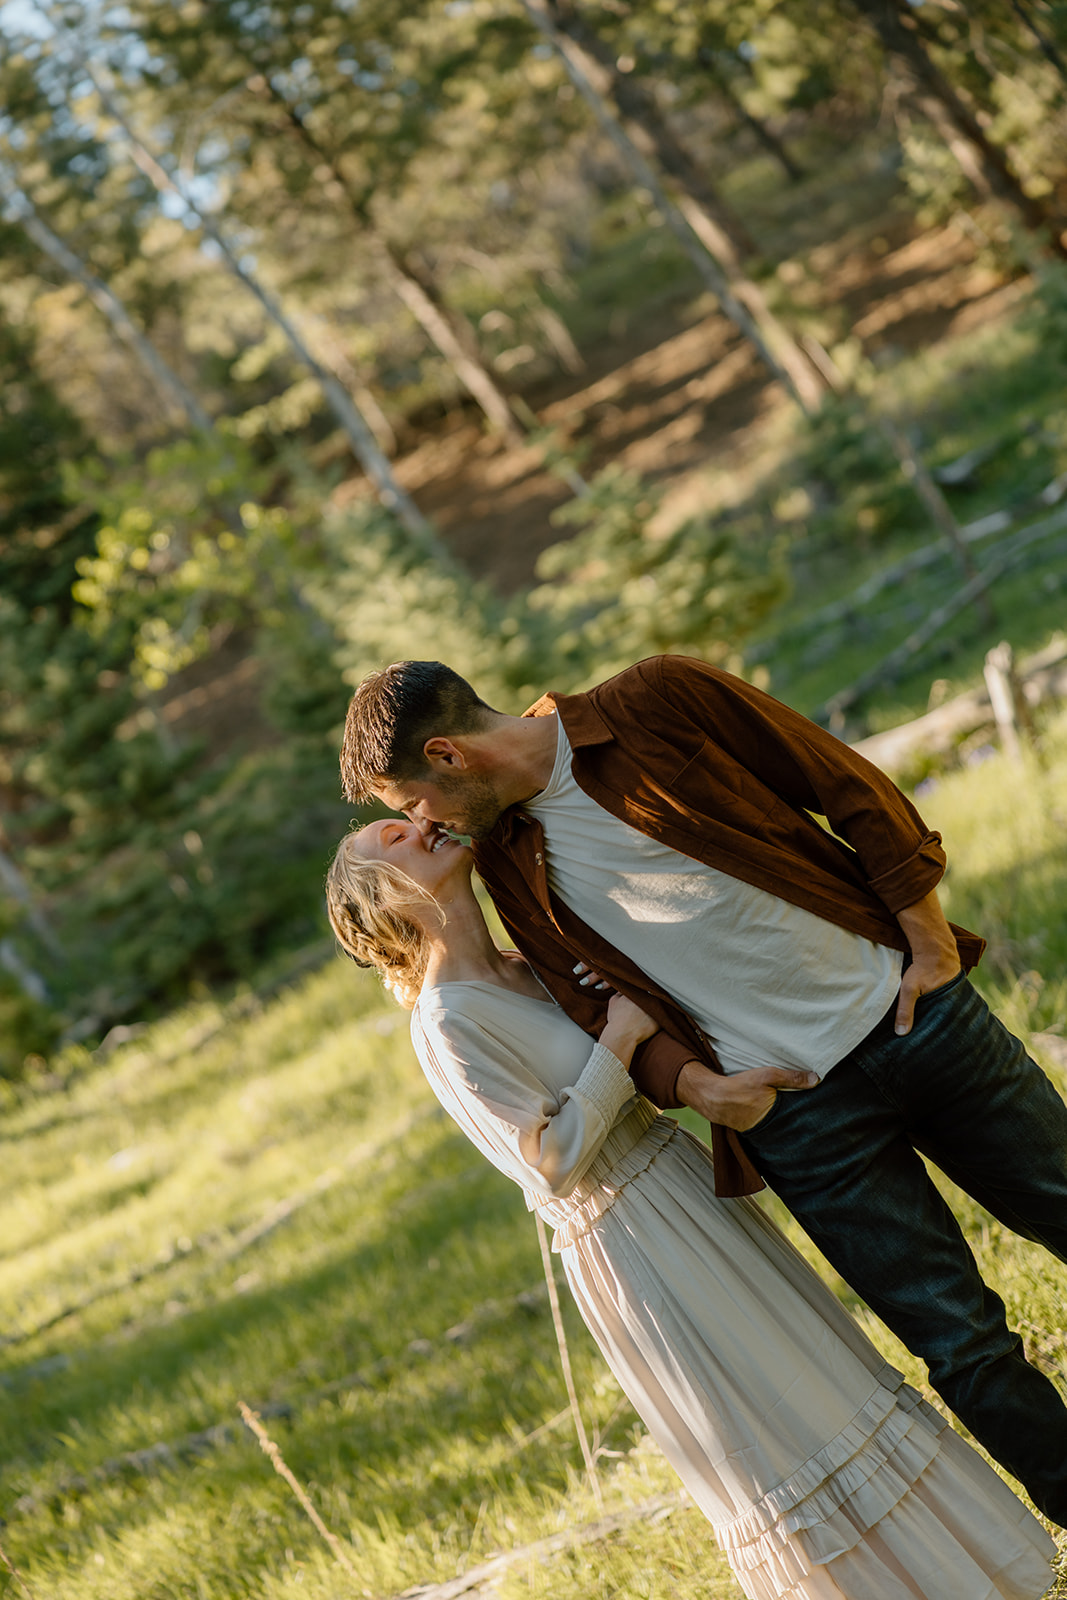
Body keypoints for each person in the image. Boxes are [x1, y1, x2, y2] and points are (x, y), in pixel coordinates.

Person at [337, 656, 1067, 1527]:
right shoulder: (506, 857)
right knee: (964, 1345)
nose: (427, 823)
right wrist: (697, 1088)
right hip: (799, 1120)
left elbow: (842, 782)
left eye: (413, 803)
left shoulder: (655, 700)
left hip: (921, 1023)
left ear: (448, 754)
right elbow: (591, 1001)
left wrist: (929, 941)